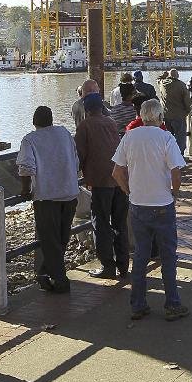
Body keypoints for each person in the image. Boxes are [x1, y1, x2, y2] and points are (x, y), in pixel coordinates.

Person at [111, 99, 190, 321]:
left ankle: (138, 304)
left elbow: (116, 172)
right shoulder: (166, 138)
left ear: (142, 116)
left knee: (140, 256)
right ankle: (172, 303)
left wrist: (128, 192)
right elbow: (176, 172)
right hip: (162, 203)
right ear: (160, 116)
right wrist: (174, 192)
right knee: (167, 256)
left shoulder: (129, 137)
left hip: (138, 204)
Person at [16, 106, 81, 294]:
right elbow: (75, 160)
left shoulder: (30, 139)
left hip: (47, 197)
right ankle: (45, 273)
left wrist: (25, 189)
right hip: (69, 192)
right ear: (52, 120)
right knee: (62, 237)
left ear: (34, 122)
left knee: (50, 239)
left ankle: (60, 280)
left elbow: (27, 167)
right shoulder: (64, 133)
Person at [74, 93, 128, 279]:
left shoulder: (85, 126)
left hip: (101, 181)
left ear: (86, 110)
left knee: (101, 222)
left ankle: (107, 265)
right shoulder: (111, 122)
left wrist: (74, 175)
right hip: (120, 179)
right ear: (102, 107)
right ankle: (123, 264)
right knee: (120, 222)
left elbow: (78, 155)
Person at [158, 69, 192, 156]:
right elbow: (187, 101)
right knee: (180, 137)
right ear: (177, 76)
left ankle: (169, 155)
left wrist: (164, 75)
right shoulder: (181, 85)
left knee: (168, 137)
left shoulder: (163, 83)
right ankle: (179, 155)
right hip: (179, 115)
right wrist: (187, 110)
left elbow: (158, 79)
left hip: (166, 115)